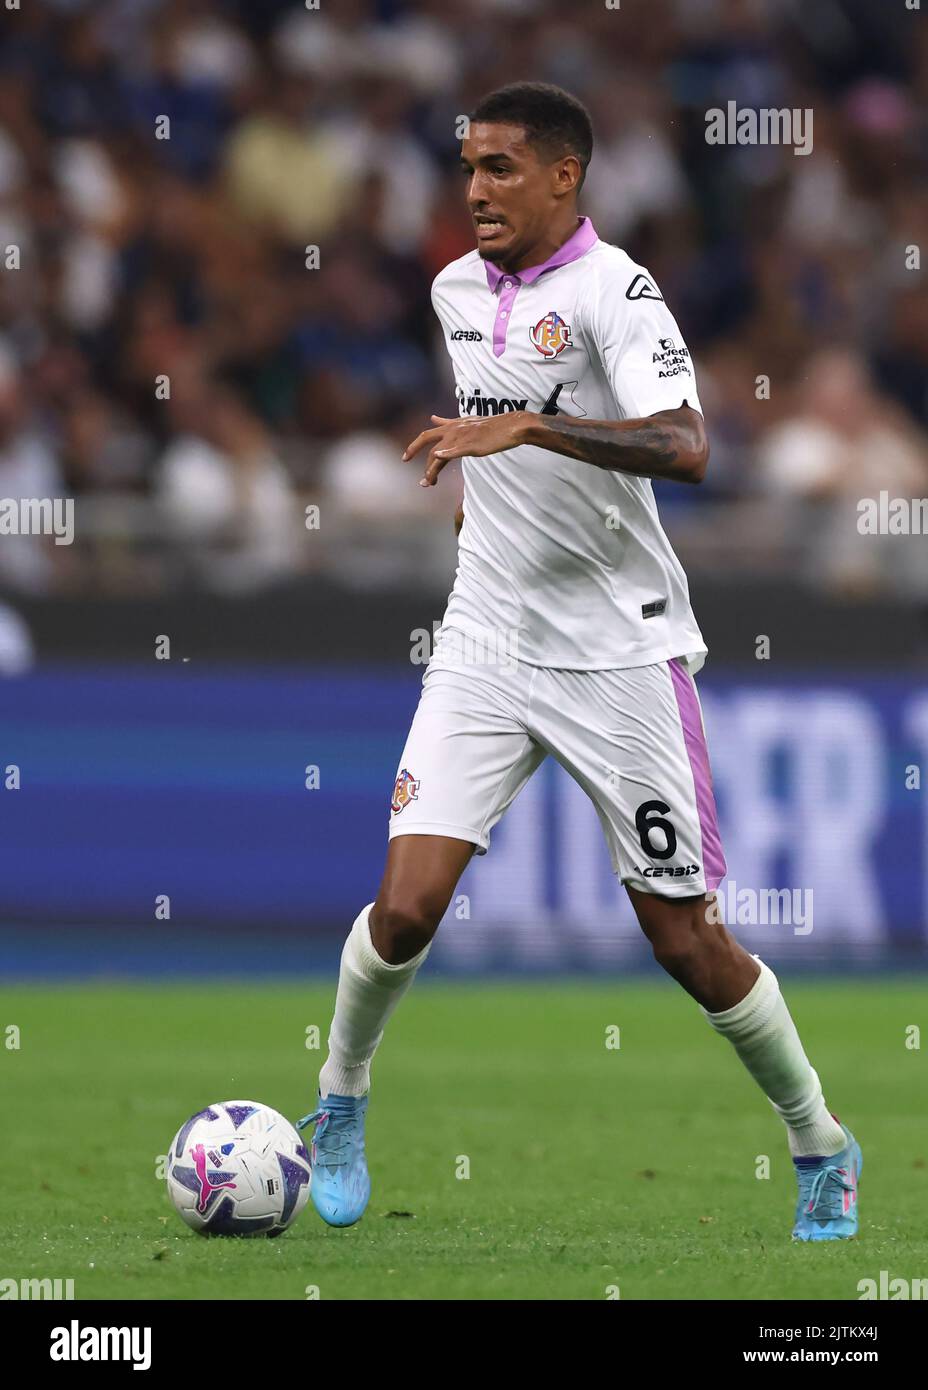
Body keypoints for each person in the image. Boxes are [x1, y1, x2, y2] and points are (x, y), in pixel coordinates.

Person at [298, 83, 861, 1243]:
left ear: (565, 176)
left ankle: (819, 1139)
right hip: (486, 638)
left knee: (685, 940)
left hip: (617, 652)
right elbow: (493, 459)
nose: (475, 189)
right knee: (405, 907)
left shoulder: (618, 292)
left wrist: (530, 426)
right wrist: (488, 505)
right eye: (468, 167)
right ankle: (340, 1097)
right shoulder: (456, 290)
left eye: (500, 168)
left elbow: (687, 446)